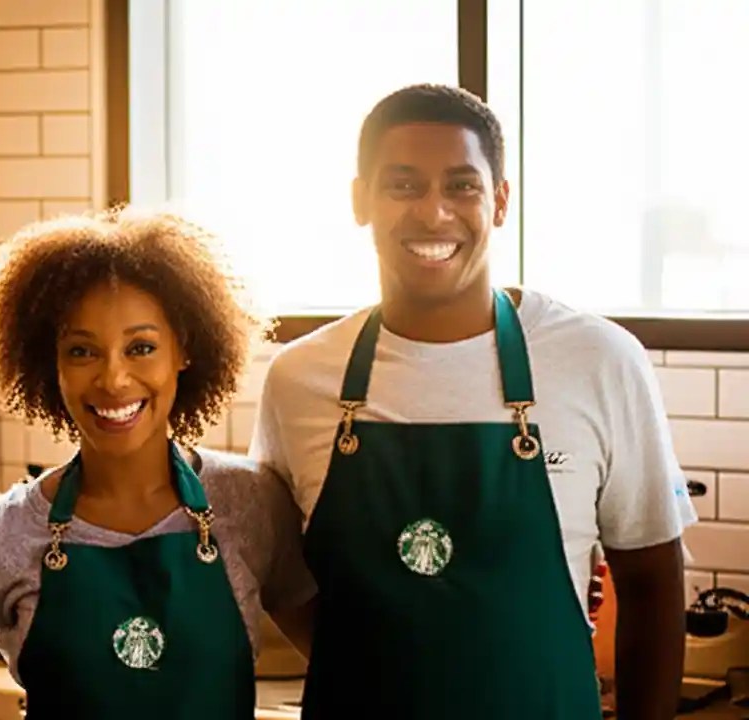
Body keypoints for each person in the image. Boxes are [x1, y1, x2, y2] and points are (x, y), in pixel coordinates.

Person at [250, 84, 697, 719]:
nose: (434, 214)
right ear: (360, 200)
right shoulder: (300, 378)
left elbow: (652, 584)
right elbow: (280, 573)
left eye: (461, 185)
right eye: (403, 185)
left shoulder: (599, 360)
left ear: (500, 201)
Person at [0, 208, 317, 719]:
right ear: (49, 364)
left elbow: (341, 667)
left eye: (141, 347)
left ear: (183, 350)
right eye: (82, 352)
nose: (114, 380)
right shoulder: (4, 533)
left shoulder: (251, 502)